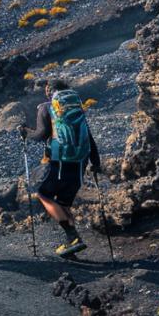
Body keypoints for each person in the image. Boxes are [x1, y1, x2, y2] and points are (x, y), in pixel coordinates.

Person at [20, 79, 102, 258]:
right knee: (64, 203)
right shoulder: (76, 108)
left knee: (44, 194)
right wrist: (96, 163)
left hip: (61, 161)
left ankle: (73, 236)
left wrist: (25, 132)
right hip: (81, 161)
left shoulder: (46, 107)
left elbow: (41, 135)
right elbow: (88, 136)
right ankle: (72, 243)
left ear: (49, 92)